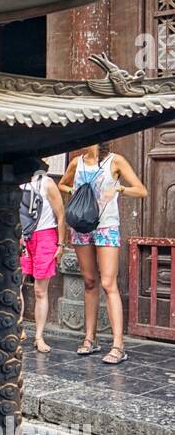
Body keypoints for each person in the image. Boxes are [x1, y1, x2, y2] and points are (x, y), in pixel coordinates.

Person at [59, 143, 147, 364]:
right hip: (81, 226)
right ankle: (90, 338)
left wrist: (120, 189)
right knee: (89, 281)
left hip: (107, 226)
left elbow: (141, 190)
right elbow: (62, 184)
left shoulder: (115, 161)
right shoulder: (75, 162)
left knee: (108, 283)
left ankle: (118, 345)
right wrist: (73, 191)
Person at [19, 166, 67, 353]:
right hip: (23, 236)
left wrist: (61, 244)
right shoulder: (18, 182)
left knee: (40, 290)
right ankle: (18, 327)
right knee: (16, 284)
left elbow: (61, 214)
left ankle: (39, 336)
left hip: (45, 235)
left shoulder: (47, 183)